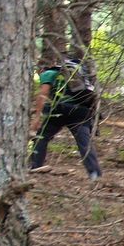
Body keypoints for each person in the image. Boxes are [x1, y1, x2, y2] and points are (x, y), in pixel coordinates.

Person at [29, 51, 102, 180]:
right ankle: (94, 174)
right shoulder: (79, 73)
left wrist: (37, 117)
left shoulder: (48, 73)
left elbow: (43, 94)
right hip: (81, 111)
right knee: (84, 142)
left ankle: (34, 166)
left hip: (60, 110)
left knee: (42, 136)